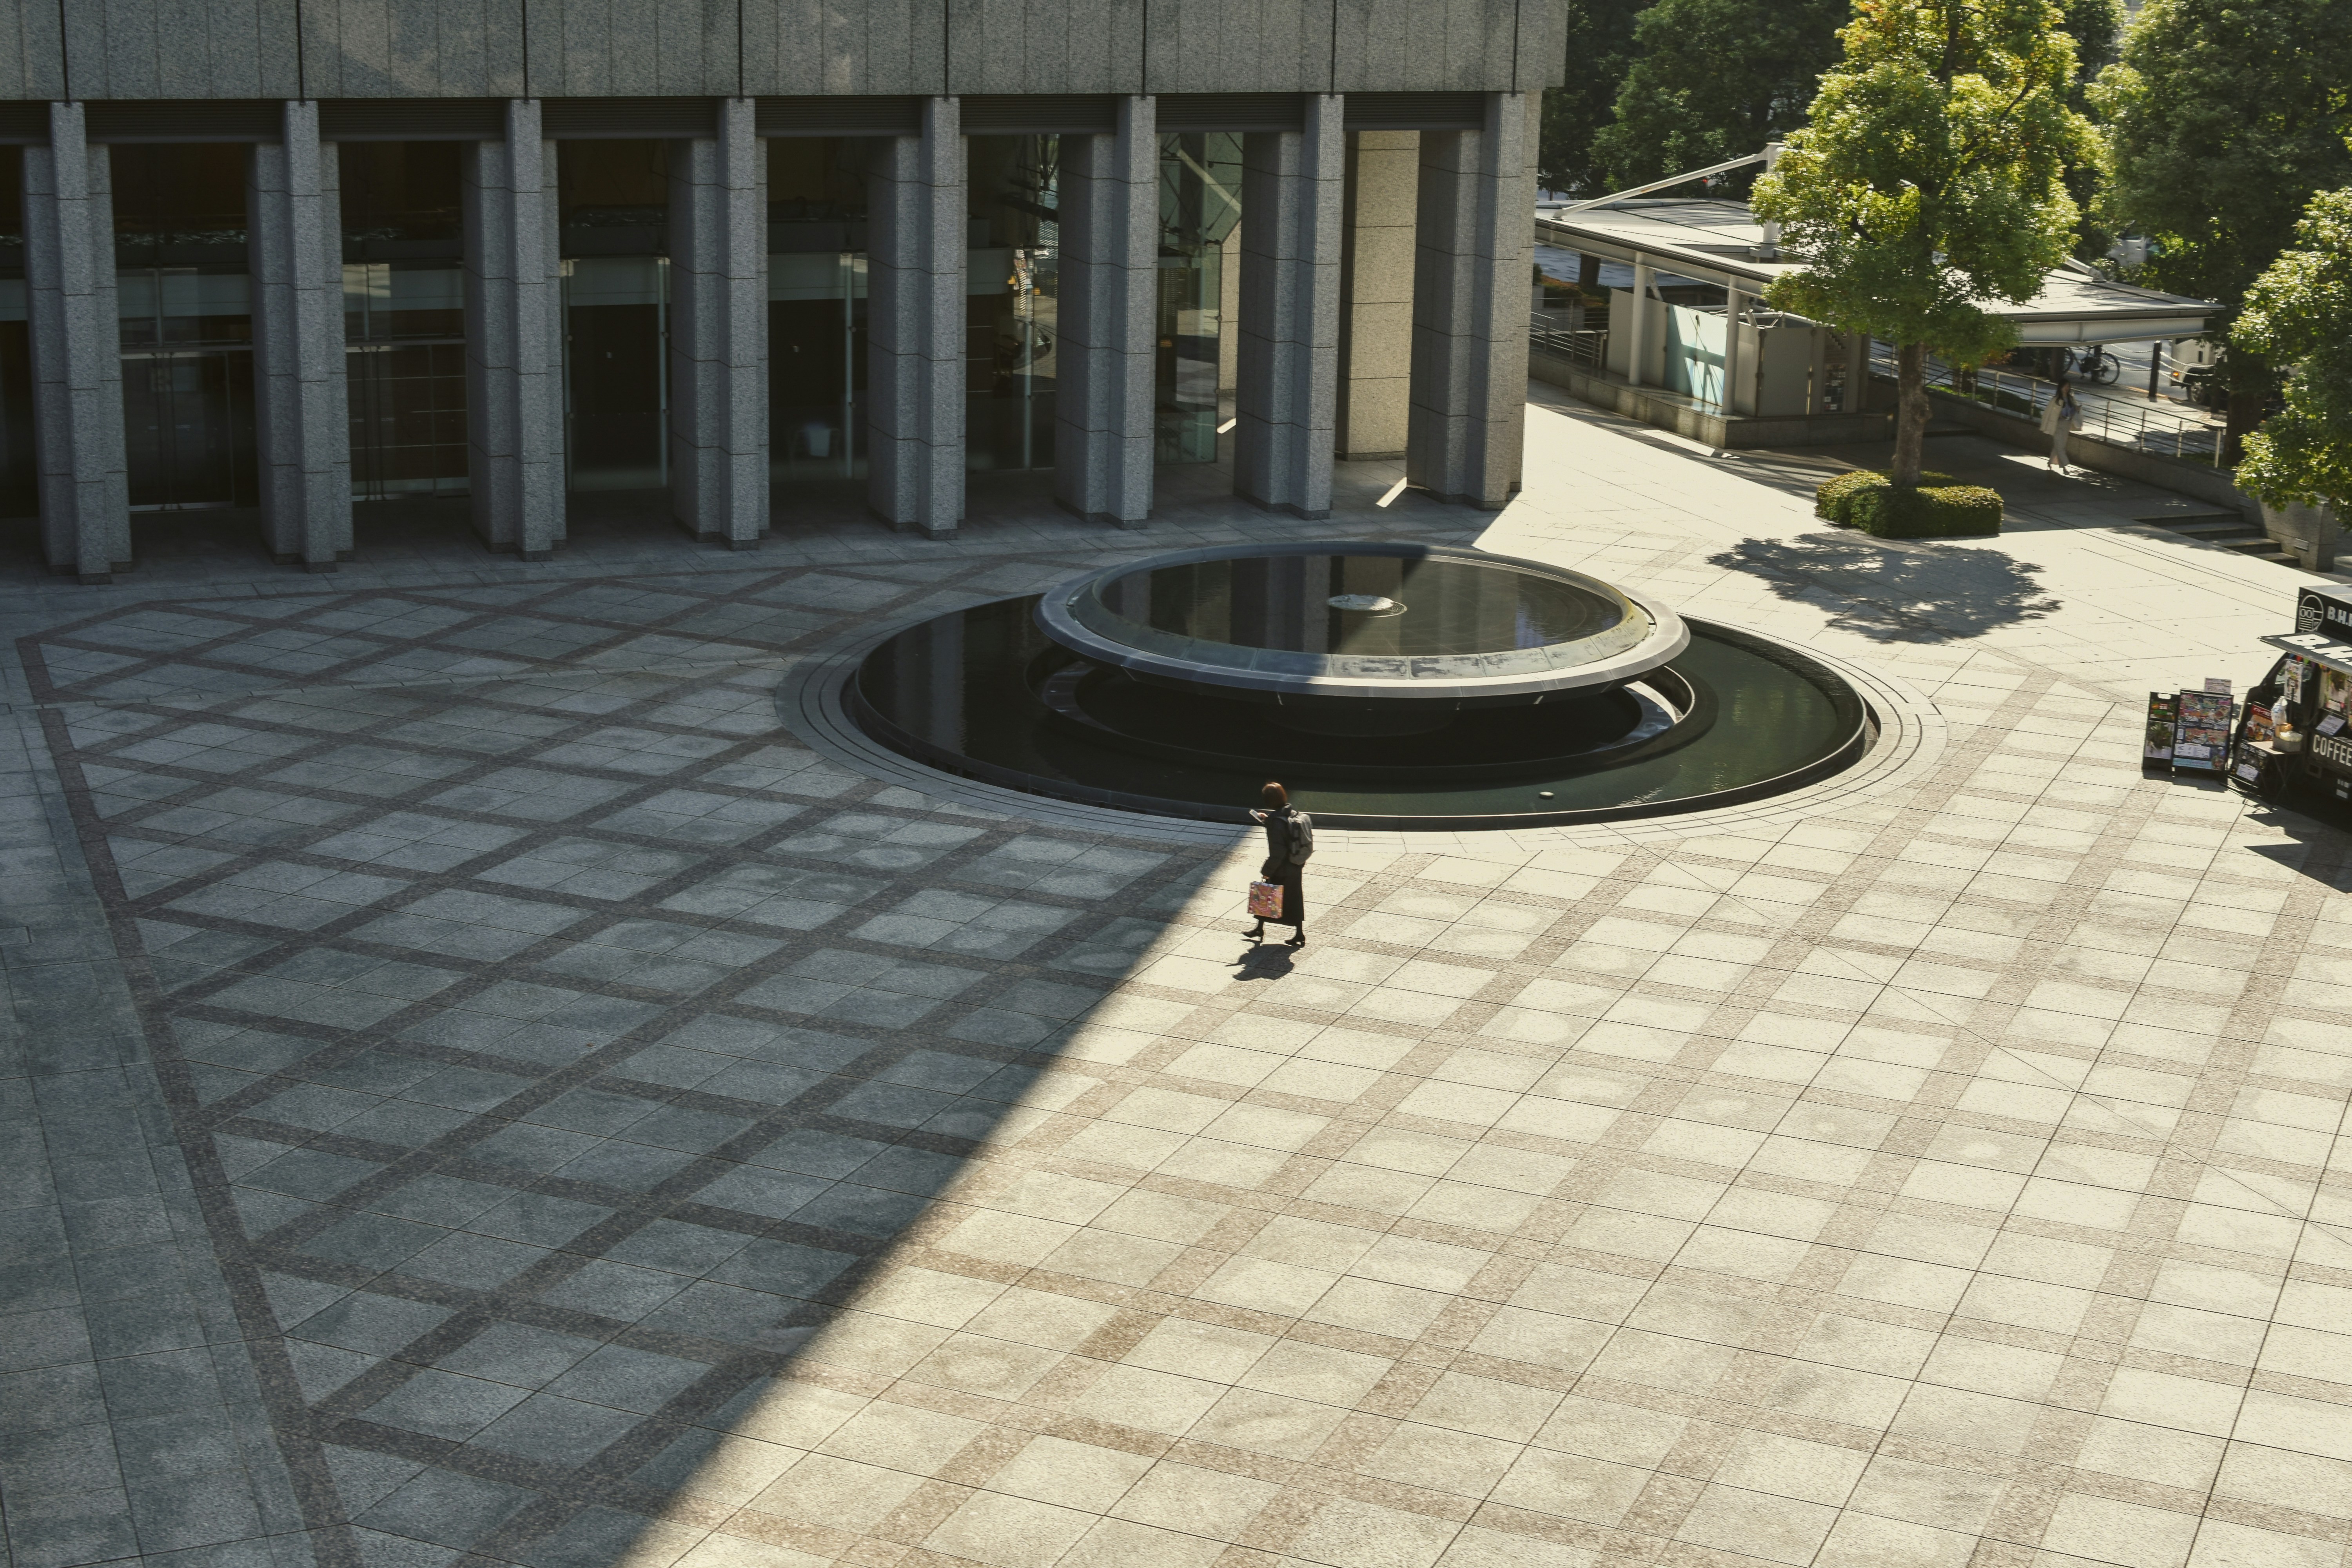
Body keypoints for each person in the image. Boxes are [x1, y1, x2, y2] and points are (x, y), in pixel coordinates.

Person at [1245, 781, 1312, 947]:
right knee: (1293, 899)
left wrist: (1267, 871)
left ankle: (1262, 929)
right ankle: (1296, 933)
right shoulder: (1291, 813)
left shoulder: (1276, 822)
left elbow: (1278, 851)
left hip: (1282, 868)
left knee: (1266, 894)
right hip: (1295, 864)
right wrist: (1267, 820)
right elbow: (1285, 831)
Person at [2040, 376, 2083, 475]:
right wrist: (2059, 415)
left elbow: (2073, 411)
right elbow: (2050, 413)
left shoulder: (2071, 399)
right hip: (2057, 425)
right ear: (2061, 387)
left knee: (2059, 445)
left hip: (2067, 424)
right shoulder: (2056, 400)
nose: (2067, 388)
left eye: (2068, 386)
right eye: (2065, 386)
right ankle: (2065, 467)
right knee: (2060, 447)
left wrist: (2076, 409)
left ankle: (2050, 462)